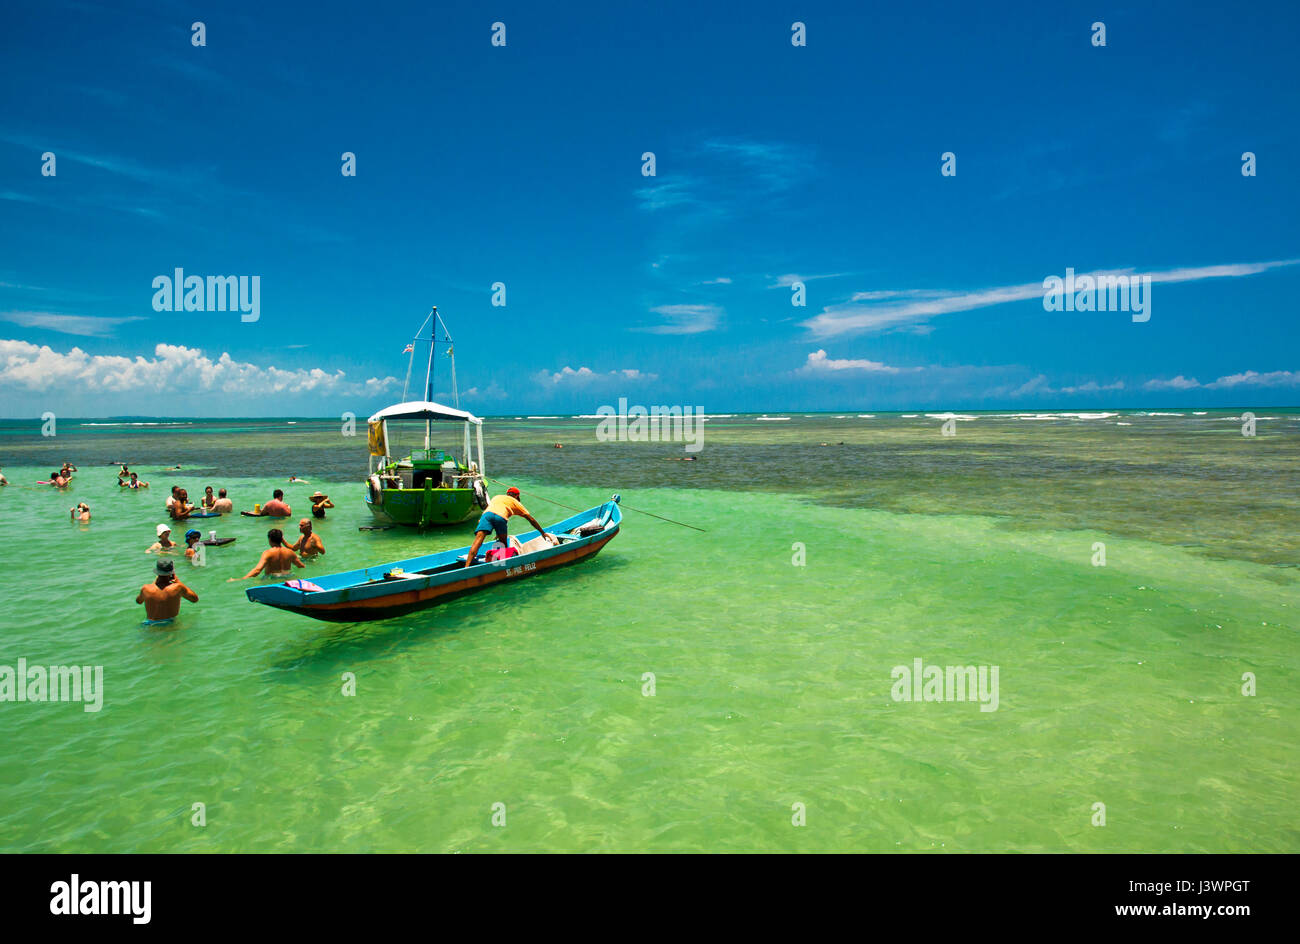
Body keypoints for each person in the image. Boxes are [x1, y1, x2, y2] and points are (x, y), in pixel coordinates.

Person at [463, 486, 551, 567]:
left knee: (477, 542)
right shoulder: (516, 502)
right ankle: (503, 567)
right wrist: (542, 533)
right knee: (503, 543)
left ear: (507, 494)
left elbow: (491, 511)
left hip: (486, 516)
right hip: (500, 517)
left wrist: (483, 523)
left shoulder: (497, 497)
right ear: (516, 496)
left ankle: (466, 568)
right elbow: (531, 519)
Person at [136, 558, 198, 622]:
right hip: (170, 624)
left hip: (150, 624)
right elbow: (195, 599)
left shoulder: (146, 589)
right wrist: (179, 582)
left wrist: (154, 583)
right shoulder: (178, 587)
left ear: (157, 572)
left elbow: (138, 601)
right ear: (172, 572)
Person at [230, 528, 304, 580]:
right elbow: (301, 566)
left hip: (272, 579)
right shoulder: (290, 552)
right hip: (288, 578)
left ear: (269, 539)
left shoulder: (268, 553)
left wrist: (241, 579)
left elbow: (257, 570)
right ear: (281, 539)